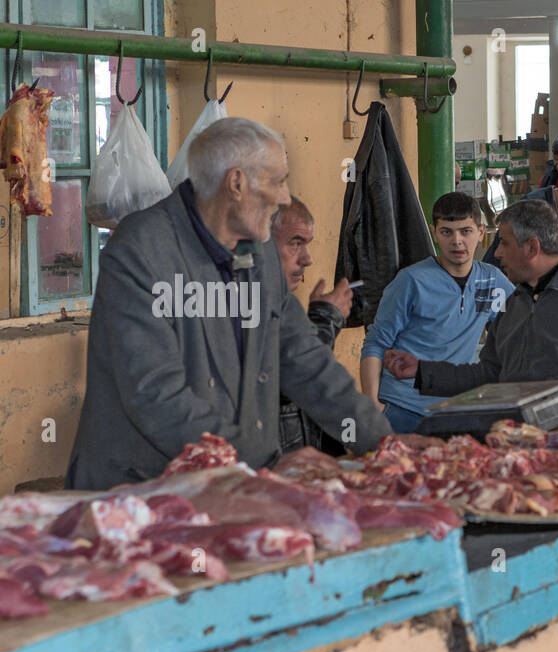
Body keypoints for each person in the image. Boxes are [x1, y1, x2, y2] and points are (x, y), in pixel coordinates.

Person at [65, 117, 390, 490]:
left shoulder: (261, 250)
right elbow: (156, 394)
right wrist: (262, 463)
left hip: (231, 486)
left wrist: (380, 443)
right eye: (277, 181)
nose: (285, 197)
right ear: (235, 183)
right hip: (142, 492)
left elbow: (304, 358)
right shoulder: (139, 251)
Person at [384, 199, 558, 397]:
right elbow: (489, 374)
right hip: (517, 438)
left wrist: (542, 391)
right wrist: (423, 371)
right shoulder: (513, 302)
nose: (498, 254)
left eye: (504, 243)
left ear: (531, 248)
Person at [359, 191, 514, 433]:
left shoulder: (492, 281)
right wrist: (373, 405)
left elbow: (521, 328)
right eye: (446, 232)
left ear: (481, 232)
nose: (457, 241)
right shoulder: (411, 281)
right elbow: (376, 343)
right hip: (402, 408)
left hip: (455, 409)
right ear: (434, 233)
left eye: (466, 231)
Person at [271, 195, 355, 452]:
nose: (307, 258)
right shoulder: (233, 301)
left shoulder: (282, 302)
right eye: (295, 243)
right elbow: (289, 375)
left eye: (307, 244)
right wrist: (325, 318)